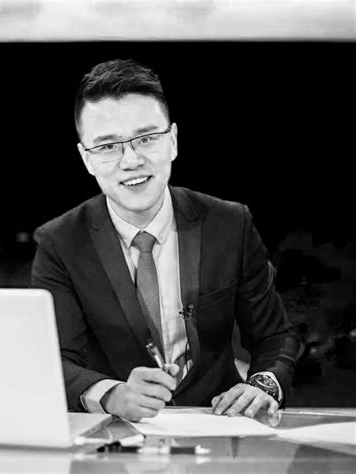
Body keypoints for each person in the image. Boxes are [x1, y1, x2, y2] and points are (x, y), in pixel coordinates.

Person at [31, 59, 299, 422]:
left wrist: (263, 385)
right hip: (114, 433)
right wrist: (110, 394)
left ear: (172, 141)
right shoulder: (59, 242)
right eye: (108, 146)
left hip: (218, 425)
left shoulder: (229, 224)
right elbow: (54, 359)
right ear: (86, 159)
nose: (131, 160)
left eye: (146, 139)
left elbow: (275, 336)